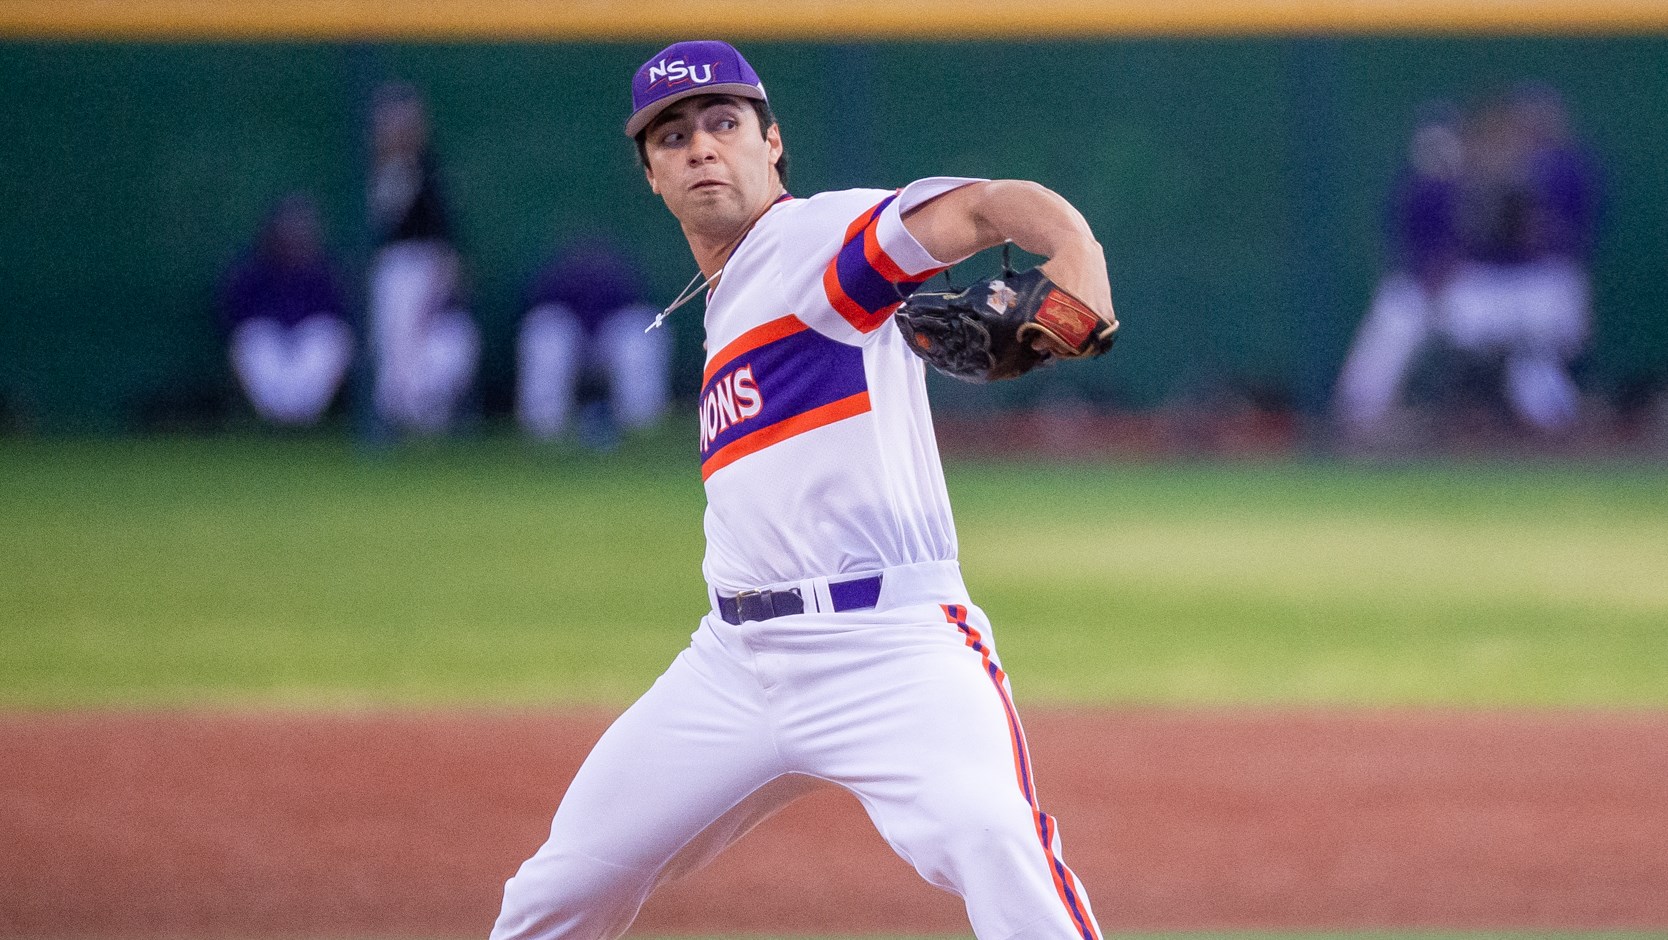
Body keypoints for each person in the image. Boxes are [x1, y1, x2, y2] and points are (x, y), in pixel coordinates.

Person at [491, 40, 1113, 940]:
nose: (702, 147)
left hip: (888, 651)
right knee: (560, 892)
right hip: (734, 666)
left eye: (723, 123)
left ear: (771, 143)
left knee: (993, 840)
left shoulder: (817, 244)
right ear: (652, 178)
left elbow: (982, 209)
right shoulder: (726, 298)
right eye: (673, 137)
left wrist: (1076, 250)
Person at [367, 82, 480, 435]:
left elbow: (445, 235)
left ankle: (424, 417)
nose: (401, 131)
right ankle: (394, 419)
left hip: (424, 262)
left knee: (443, 340)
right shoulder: (376, 168)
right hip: (392, 266)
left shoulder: (428, 167)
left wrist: (447, 269)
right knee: (394, 346)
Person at [516, 238, 670, 445]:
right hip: (573, 343)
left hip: (608, 343)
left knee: (640, 331)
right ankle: (545, 429)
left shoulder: (619, 282)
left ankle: (642, 427)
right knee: (547, 335)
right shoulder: (557, 284)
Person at [219, 193, 353, 427]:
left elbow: (338, 322)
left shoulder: (324, 273)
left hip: (307, 350)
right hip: (272, 351)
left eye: (299, 231)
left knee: (328, 340)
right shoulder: (253, 272)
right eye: (287, 231)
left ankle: (306, 418)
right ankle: (275, 420)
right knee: (253, 339)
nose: (293, 238)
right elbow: (235, 321)